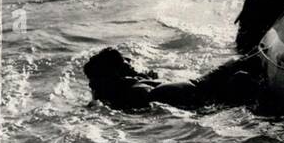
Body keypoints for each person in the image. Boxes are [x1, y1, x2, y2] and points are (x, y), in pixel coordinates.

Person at [83, 47, 264, 112]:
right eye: (125, 63)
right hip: (203, 96)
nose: (130, 64)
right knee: (242, 74)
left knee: (242, 64)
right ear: (114, 73)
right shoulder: (119, 93)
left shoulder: (128, 84)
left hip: (202, 88)